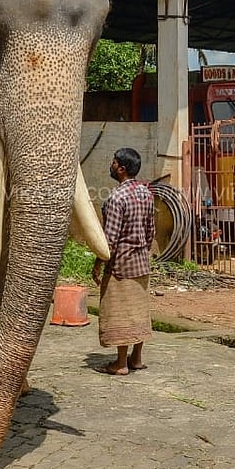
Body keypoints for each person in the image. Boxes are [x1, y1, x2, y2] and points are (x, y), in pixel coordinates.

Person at [92, 147, 155, 375]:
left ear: (121, 168)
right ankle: (136, 358)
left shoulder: (116, 198)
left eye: (114, 162)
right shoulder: (146, 194)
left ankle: (120, 363)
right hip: (141, 263)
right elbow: (150, 231)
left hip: (120, 266)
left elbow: (110, 239)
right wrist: (143, 252)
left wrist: (98, 264)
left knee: (118, 312)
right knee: (138, 311)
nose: (111, 164)